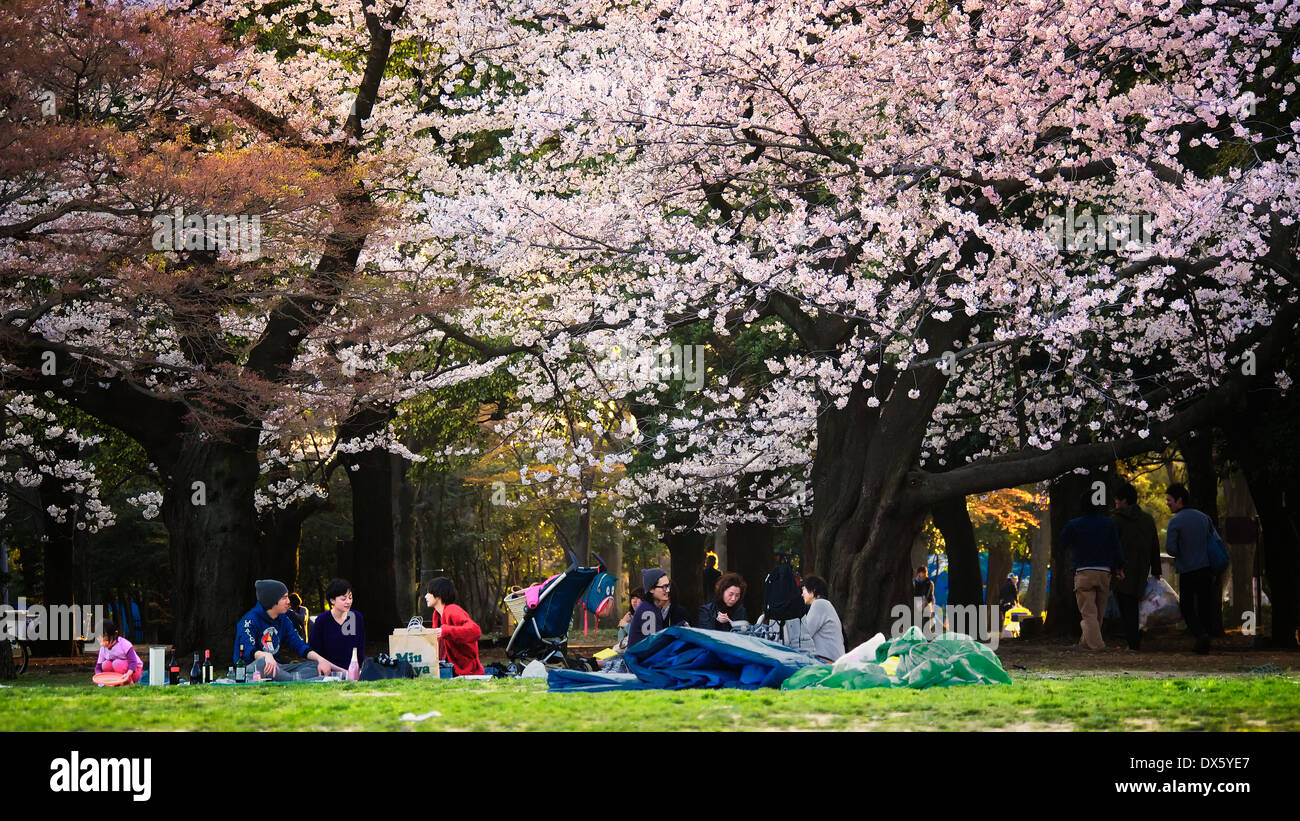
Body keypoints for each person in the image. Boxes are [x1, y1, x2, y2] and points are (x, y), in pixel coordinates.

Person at [1058, 492, 1126, 650]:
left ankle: (1097, 646)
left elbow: (1062, 542)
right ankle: (1085, 643)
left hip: (1084, 571)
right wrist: (1119, 567)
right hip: (1104, 572)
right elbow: (1116, 547)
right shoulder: (1108, 524)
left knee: (1088, 614)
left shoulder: (1074, 524)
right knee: (1098, 614)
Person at [235, 579, 341, 680]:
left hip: (276, 668)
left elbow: (298, 644)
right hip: (252, 669)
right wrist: (265, 655)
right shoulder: (249, 620)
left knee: (316, 665)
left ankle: (292, 678)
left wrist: (320, 659)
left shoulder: (283, 619)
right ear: (273, 600)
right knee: (262, 663)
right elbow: (246, 648)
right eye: (284, 598)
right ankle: (299, 679)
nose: (289, 601)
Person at [1164, 482, 1218, 654]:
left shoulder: (1175, 522)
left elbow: (1171, 549)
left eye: (1169, 500)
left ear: (1179, 500)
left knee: (1187, 607)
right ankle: (1206, 640)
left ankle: (1200, 634)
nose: (1167, 503)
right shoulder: (1204, 518)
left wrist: (1182, 549)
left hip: (1187, 571)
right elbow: (1214, 542)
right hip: (1206, 569)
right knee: (1205, 606)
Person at [1111, 481, 1163, 651]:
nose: (1116, 503)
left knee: (1127, 608)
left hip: (1122, 571)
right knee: (1135, 605)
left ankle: (1133, 643)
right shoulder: (1147, 520)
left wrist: (1113, 568)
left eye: (1117, 500)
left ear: (1124, 500)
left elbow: (1112, 546)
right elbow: (1155, 546)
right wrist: (1156, 569)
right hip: (1142, 570)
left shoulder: (1116, 520)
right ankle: (1135, 638)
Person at [425, 577, 484, 676]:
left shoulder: (452, 610)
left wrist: (446, 631)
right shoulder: (436, 615)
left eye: (429, 593)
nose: (425, 596)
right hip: (448, 669)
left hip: (466, 670)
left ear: (438, 594)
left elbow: (475, 631)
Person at [309, 578, 366, 670]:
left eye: (350, 597)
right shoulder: (322, 620)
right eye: (343, 599)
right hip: (329, 670)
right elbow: (315, 650)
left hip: (354, 669)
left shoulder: (357, 617)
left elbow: (360, 648)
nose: (348, 601)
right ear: (332, 600)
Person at [626, 569, 689, 650]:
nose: (668, 590)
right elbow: (653, 644)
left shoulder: (653, 608)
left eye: (668, 586)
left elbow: (659, 636)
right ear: (651, 589)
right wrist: (679, 628)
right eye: (664, 587)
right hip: (639, 661)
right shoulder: (648, 611)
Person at [794, 575, 845, 661]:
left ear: (813, 590)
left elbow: (805, 635)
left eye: (804, 589)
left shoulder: (819, 604)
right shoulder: (826, 605)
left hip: (826, 661)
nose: (802, 594)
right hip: (832, 660)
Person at [94, 620, 142, 684]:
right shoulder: (103, 649)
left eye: (105, 640)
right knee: (105, 664)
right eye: (100, 641)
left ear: (114, 635)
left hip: (134, 671)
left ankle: (128, 683)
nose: (103, 644)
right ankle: (114, 682)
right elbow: (98, 666)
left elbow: (133, 662)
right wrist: (99, 676)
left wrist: (128, 674)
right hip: (118, 672)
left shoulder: (124, 644)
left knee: (117, 663)